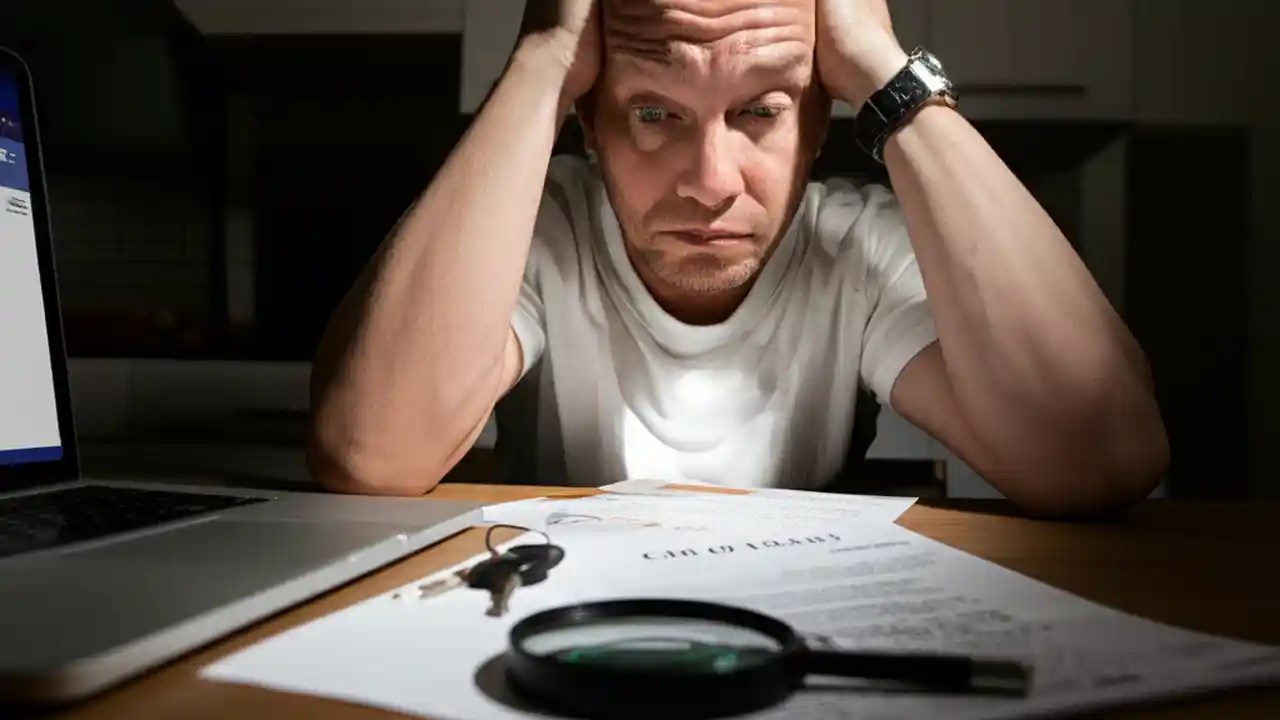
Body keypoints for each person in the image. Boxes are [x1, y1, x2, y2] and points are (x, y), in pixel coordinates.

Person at [307, 0, 1169, 517]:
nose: (711, 183)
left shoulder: (852, 247)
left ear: (818, 126)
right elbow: (369, 450)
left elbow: (1102, 456)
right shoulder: (543, 230)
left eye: (760, 110)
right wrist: (542, 59)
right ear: (589, 127)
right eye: (653, 113)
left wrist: (884, 68)